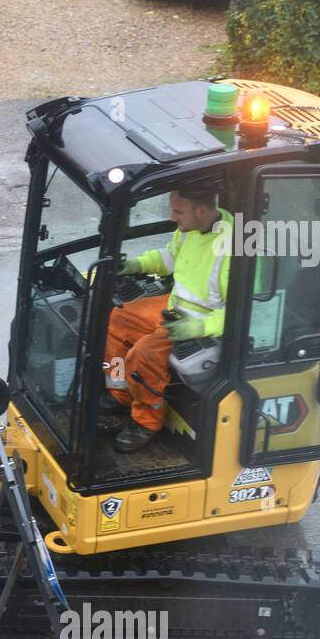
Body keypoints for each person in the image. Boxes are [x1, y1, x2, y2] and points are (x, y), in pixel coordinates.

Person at [101, 189, 232, 453]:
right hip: (175, 306)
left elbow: (244, 310)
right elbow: (169, 258)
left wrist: (198, 327)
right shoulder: (189, 229)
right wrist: (136, 265)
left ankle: (146, 422)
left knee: (144, 354)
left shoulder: (234, 247)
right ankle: (122, 394)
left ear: (202, 211)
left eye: (178, 212)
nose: (173, 218)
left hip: (202, 321)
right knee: (119, 318)